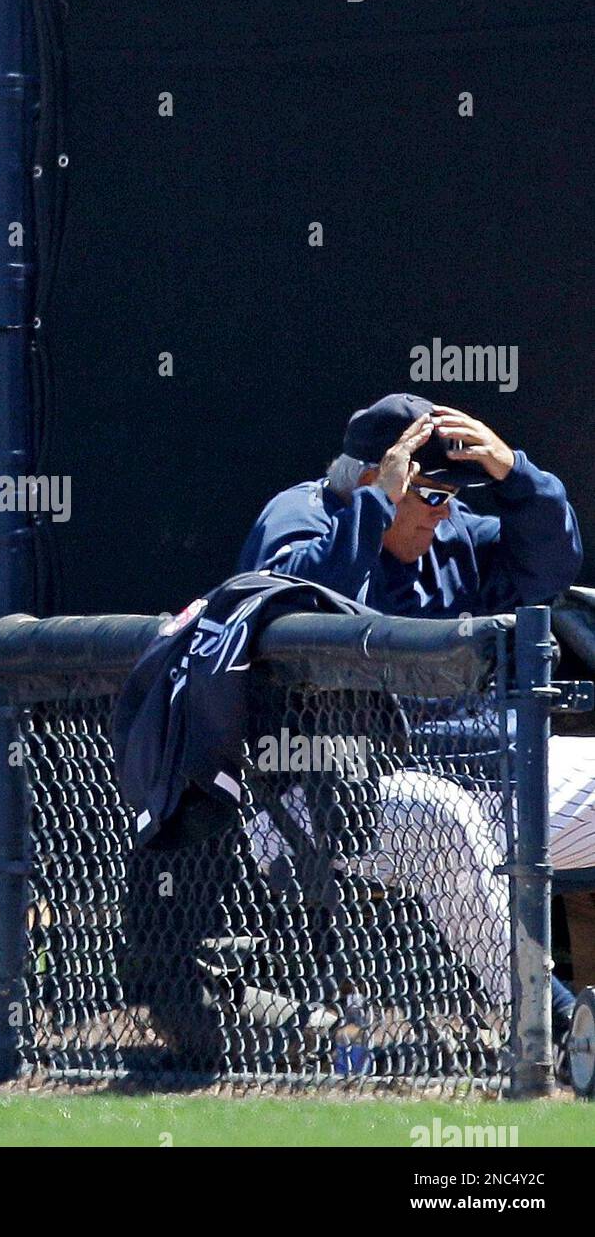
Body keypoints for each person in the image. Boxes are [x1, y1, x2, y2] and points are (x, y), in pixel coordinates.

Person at [238, 391, 591, 1030]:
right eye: (429, 492)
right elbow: (296, 603)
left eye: (452, 495)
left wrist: (518, 473)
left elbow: (549, 567)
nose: (444, 509)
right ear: (378, 479)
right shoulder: (303, 516)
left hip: (481, 772)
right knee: (441, 818)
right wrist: (374, 509)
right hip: (317, 797)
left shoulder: (450, 534)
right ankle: (553, 1028)